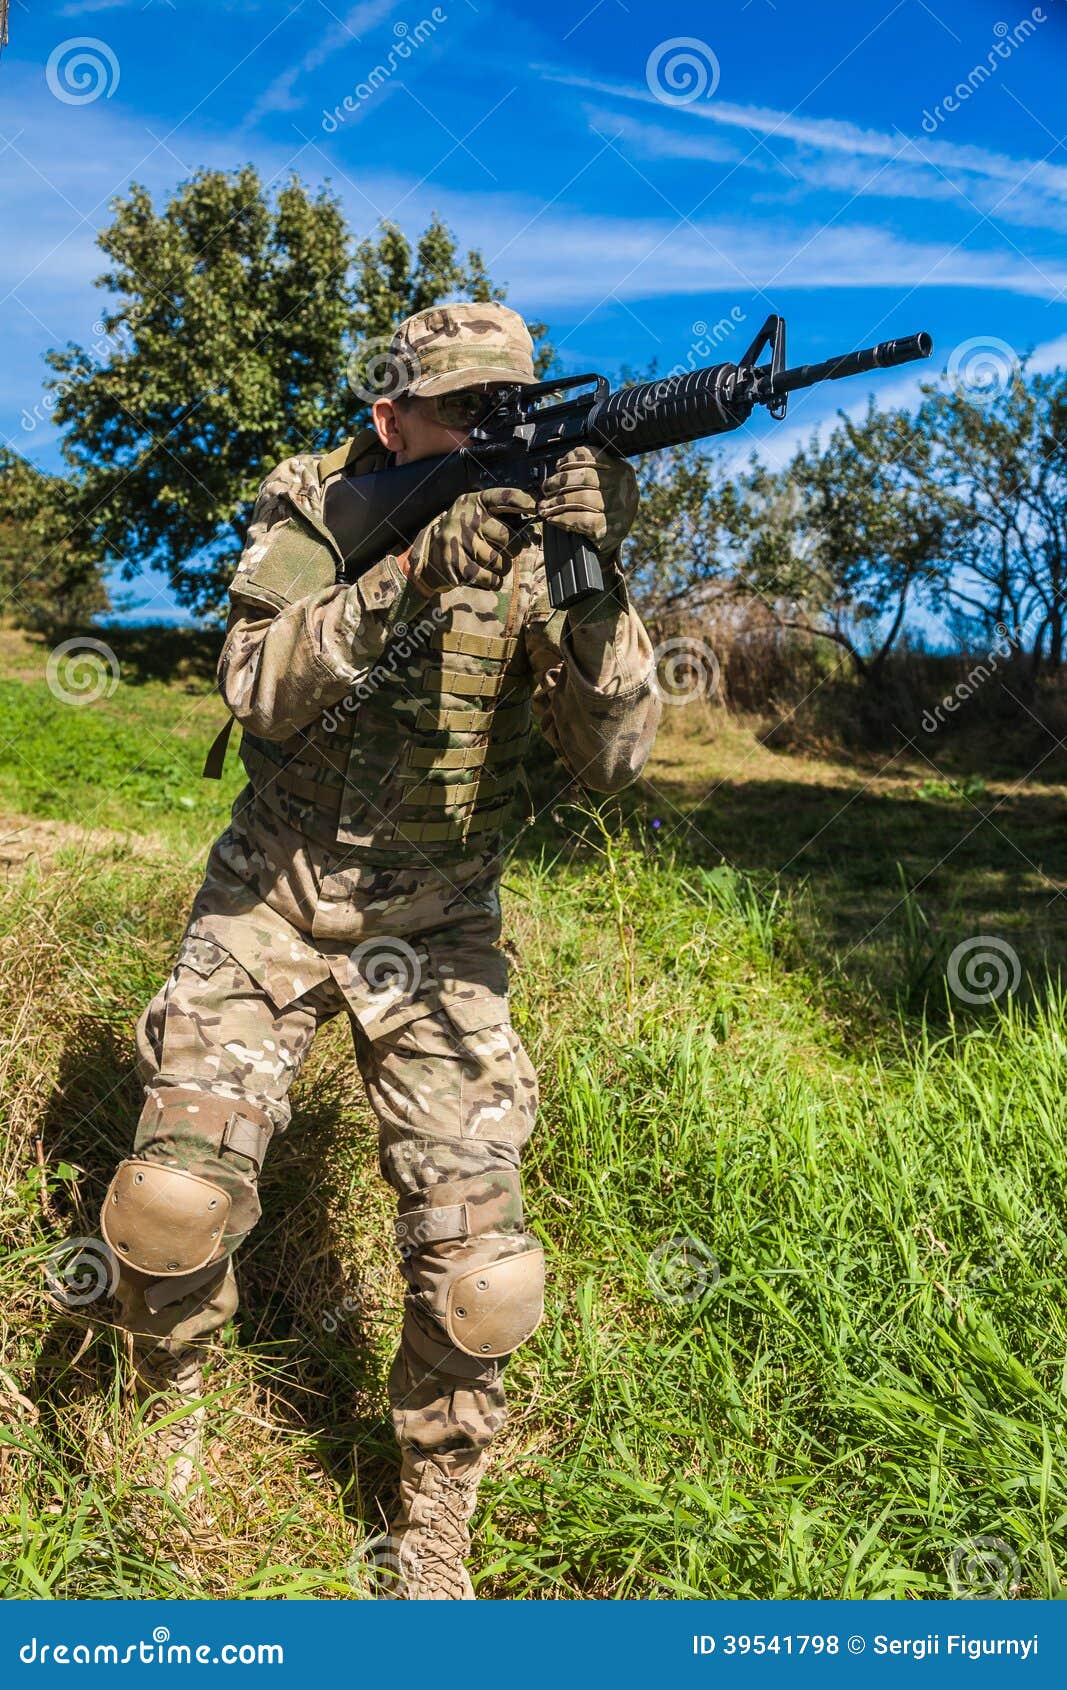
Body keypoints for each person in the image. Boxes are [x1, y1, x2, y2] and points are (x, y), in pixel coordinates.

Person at [99, 300, 662, 1597]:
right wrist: (411, 571)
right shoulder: (315, 500)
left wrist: (583, 572)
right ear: (390, 416)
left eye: (503, 411)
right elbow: (253, 683)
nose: (483, 432)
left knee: (486, 1271)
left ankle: (435, 1530)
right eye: (459, 410)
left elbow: (617, 759)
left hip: (439, 916)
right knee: (172, 1201)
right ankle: (172, 1422)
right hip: (274, 892)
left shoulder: (546, 546)